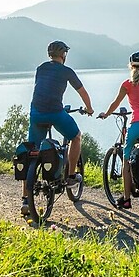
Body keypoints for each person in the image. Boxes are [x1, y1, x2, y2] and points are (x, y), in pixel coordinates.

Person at [27, 40, 93, 197]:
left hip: (36, 113)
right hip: (55, 113)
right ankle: (70, 177)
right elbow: (82, 92)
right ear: (64, 55)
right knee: (76, 137)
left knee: (32, 151)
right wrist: (89, 108)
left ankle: (25, 199)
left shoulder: (40, 69)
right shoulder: (67, 71)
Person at [98, 50, 139, 209]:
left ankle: (126, 199)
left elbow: (115, 103)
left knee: (127, 161)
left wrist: (106, 114)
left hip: (137, 126)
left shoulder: (127, 84)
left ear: (130, 65)